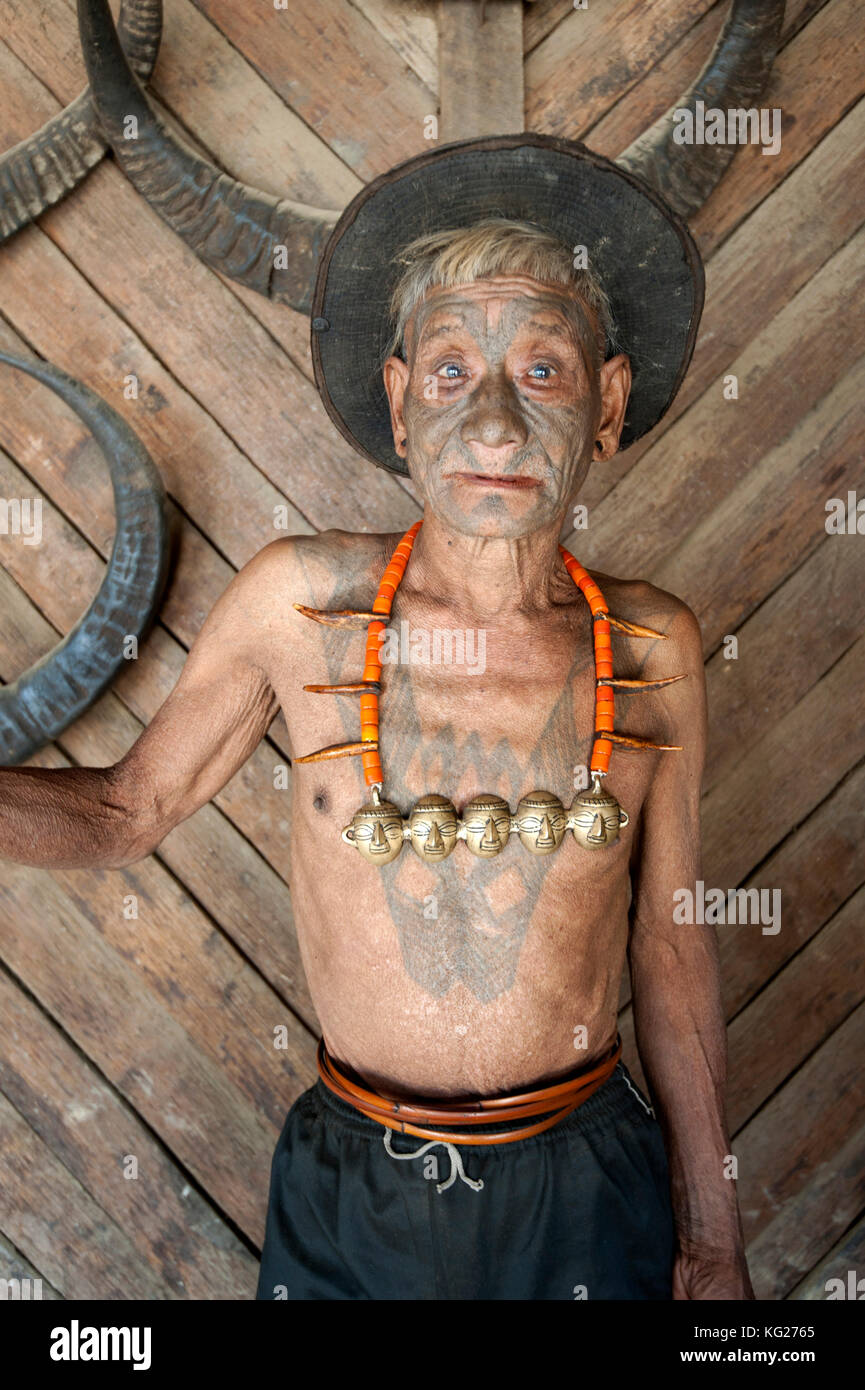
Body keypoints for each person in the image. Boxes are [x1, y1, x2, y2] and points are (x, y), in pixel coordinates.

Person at [0, 138, 751, 1300]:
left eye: (543, 372)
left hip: (590, 1180)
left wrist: (711, 1231)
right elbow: (119, 810)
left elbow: (671, 940)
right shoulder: (299, 609)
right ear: (399, 406)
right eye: (449, 372)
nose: (493, 421)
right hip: (355, 1181)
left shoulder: (653, 651)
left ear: (607, 407)